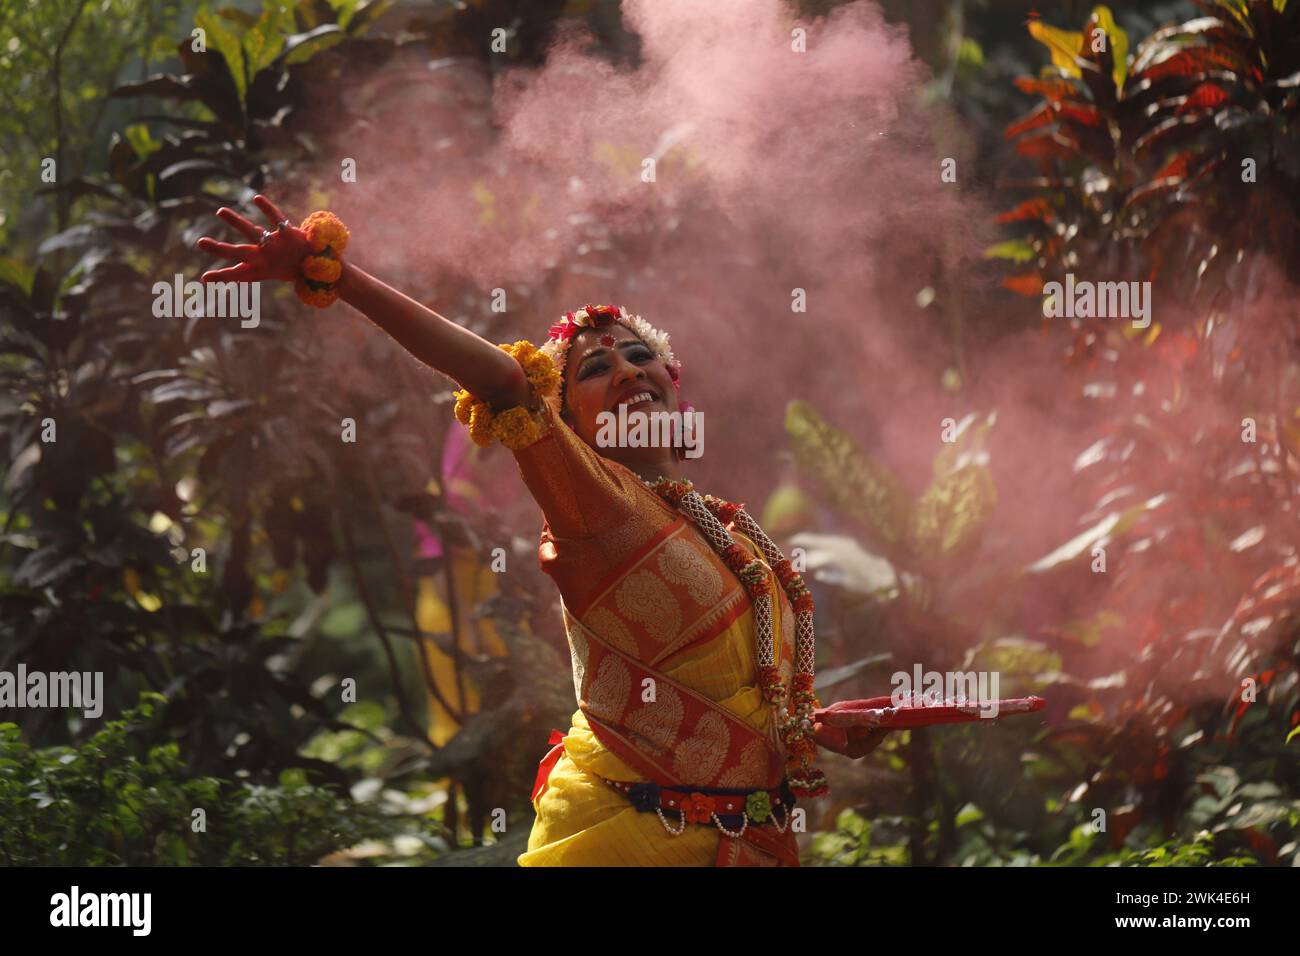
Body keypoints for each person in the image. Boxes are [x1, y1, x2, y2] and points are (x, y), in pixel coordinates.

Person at [197, 195, 888, 866]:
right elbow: (502, 384)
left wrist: (814, 728)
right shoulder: (594, 501)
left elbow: (732, 692)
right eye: (596, 368)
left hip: (748, 845)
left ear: (674, 383)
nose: (626, 370)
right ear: (567, 422)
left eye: (639, 356)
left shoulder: (723, 524)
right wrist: (340, 278)